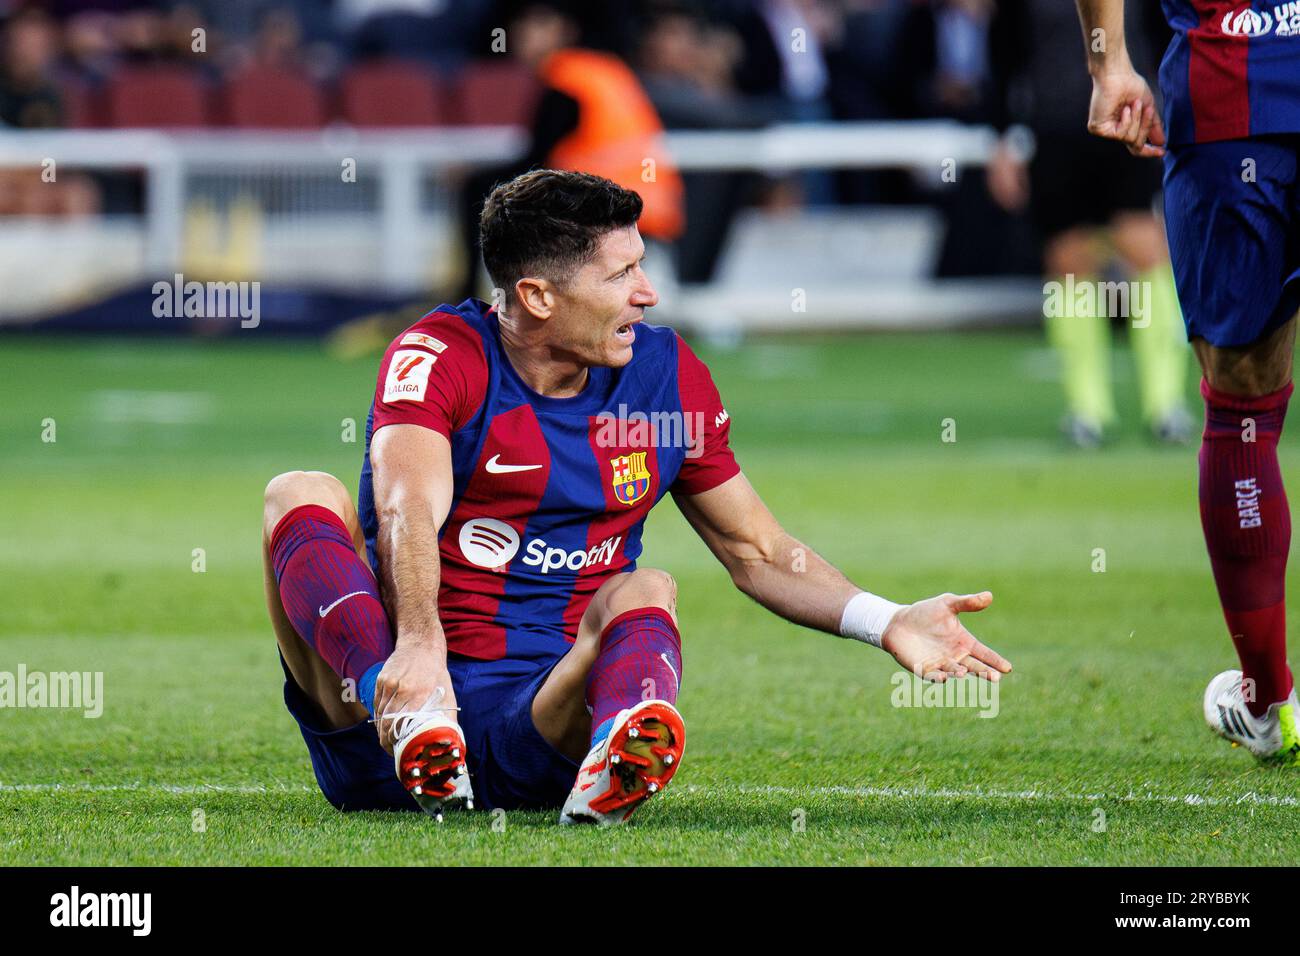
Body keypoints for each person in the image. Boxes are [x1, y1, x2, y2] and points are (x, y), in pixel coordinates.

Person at [260, 168, 1012, 823]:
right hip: (387, 723)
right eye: (621, 275)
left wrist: (886, 621)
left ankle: (613, 760)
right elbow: (404, 509)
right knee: (297, 493)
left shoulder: (663, 378)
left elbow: (756, 548)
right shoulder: (439, 356)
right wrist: (422, 648)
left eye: (641, 268)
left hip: (543, 722)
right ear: (537, 295)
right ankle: (420, 715)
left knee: (647, 586)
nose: (648, 294)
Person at [1072, 0, 1300, 760]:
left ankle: (1269, 696)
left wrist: (1108, 62)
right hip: (1235, 93)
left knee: (1243, 406)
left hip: (1235, 90)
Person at [984, 0, 1190, 447]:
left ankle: (1165, 403)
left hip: (1130, 117)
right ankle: (1088, 409)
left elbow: (1167, 38)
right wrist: (1001, 140)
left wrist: (1175, 112)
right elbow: (1003, 57)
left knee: (1143, 247)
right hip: (1057, 127)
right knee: (1069, 259)